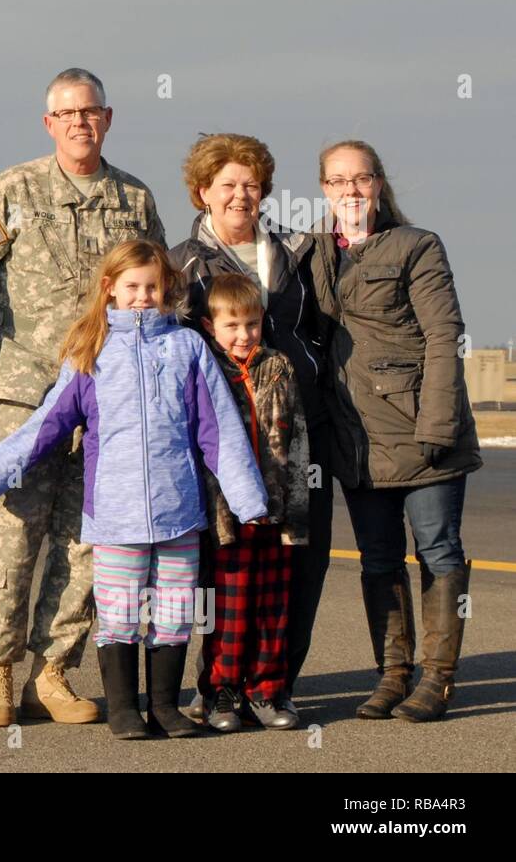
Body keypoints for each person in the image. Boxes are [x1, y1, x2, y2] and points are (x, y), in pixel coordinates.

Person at [0, 241, 268, 740]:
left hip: (179, 512)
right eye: (133, 287)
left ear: (165, 288)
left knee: (172, 615)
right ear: (111, 290)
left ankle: (164, 707)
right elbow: (46, 426)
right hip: (115, 516)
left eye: (152, 287)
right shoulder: (91, 353)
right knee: (120, 613)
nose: (143, 296)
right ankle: (125, 708)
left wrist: (247, 497)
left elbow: (219, 431)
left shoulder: (187, 347)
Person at [0, 68, 166, 727]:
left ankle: (52, 668)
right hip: (26, 388)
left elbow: (155, 289)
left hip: (110, 400)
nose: (79, 122)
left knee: (89, 540)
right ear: (49, 123)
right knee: (11, 532)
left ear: (107, 117)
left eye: (90, 111)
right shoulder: (12, 190)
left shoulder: (133, 199)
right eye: (66, 113)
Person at [309, 140, 481, 722]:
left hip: (423, 432)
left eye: (361, 179)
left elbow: (444, 336)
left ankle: (438, 678)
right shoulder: (313, 251)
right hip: (357, 440)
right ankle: (393, 673)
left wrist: (438, 422)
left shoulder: (417, 246)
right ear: (325, 189)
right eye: (338, 181)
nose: (350, 191)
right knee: (377, 559)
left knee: (438, 552)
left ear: (379, 183)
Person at [168, 133, 331, 720]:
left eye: (252, 184)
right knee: (225, 575)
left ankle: (275, 684)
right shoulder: (184, 262)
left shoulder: (295, 250)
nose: (241, 195)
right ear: (203, 192)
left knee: (294, 570)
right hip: (219, 444)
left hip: (294, 437)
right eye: (228, 184)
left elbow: (321, 327)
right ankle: (218, 688)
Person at [194, 274, 309, 732]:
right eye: (233, 326)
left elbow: (297, 441)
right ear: (210, 326)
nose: (244, 336)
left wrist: (296, 514)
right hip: (226, 515)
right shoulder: (205, 368)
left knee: (272, 605)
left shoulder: (278, 367)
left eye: (253, 324)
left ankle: (267, 688)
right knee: (228, 607)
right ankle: (221, 692)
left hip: (275, 511)